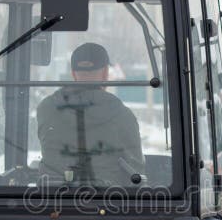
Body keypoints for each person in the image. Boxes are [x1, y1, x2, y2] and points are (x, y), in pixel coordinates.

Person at [36, 42, 144, 186]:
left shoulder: (46, 109)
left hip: (51, 201)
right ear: (105, 73)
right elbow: (136, 174)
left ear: (74, 74)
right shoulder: (123, 115)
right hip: (108, 203)